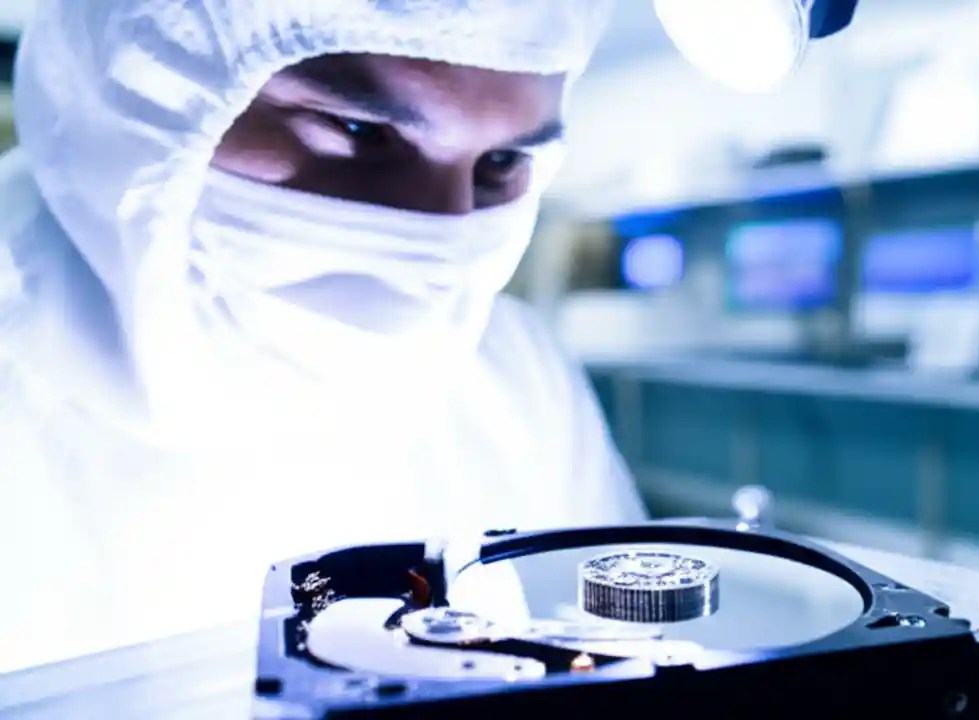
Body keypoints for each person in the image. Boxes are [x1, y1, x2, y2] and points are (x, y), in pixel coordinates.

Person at [0, 0, 645, 674]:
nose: (440, 234)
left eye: (503, 161)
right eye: (357, 129)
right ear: (133, 92)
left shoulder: (517, 374)